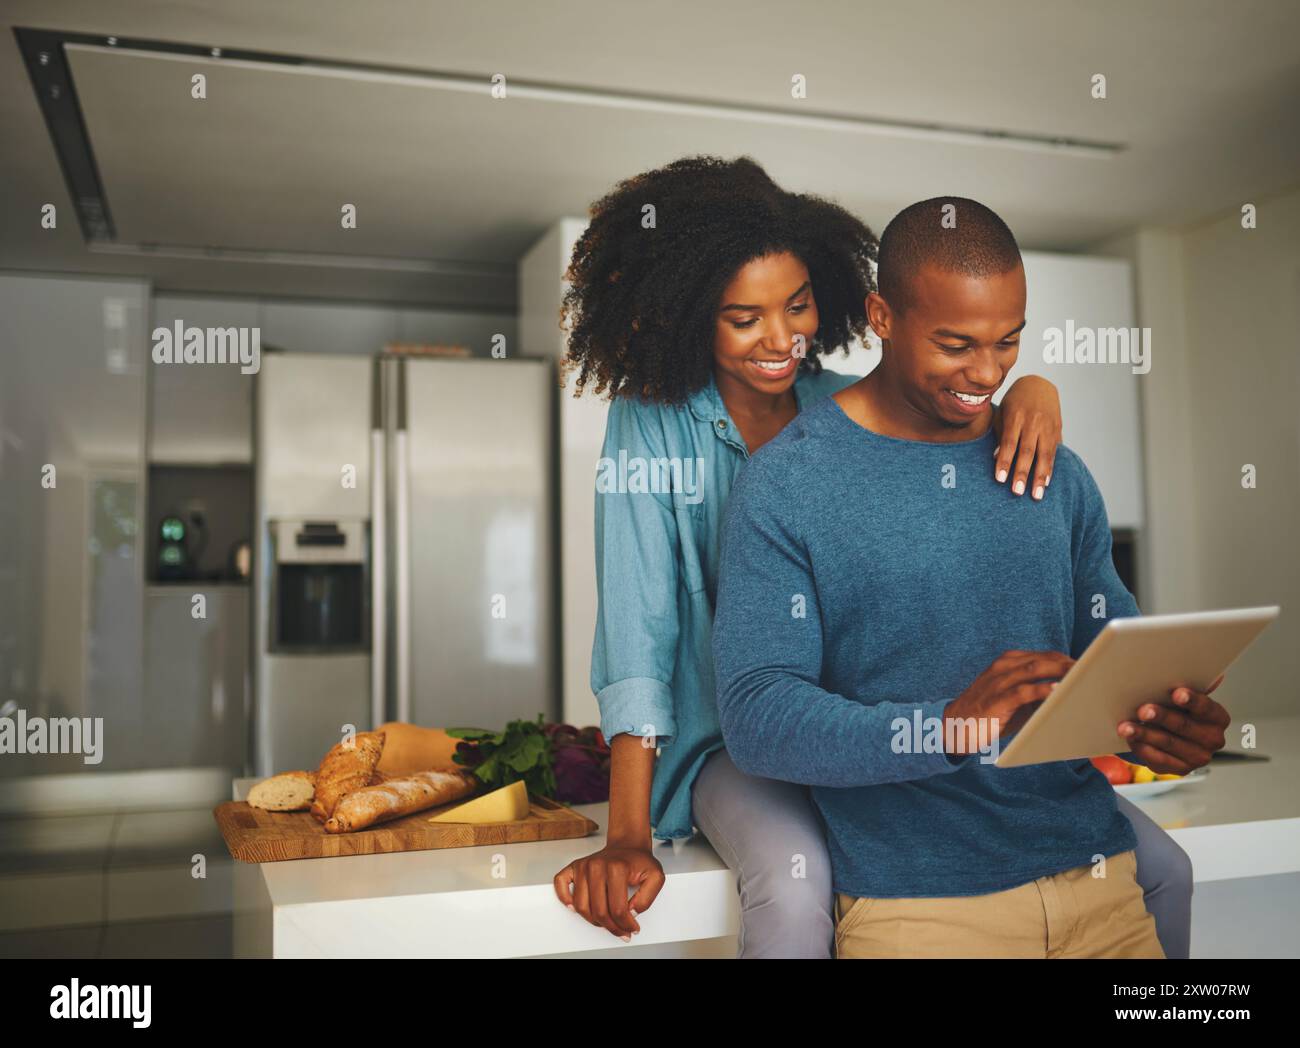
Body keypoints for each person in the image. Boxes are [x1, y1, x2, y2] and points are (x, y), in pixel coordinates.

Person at [551, 156, 1189, 958]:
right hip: (730, 731)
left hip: (857, 719)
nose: (781, 339)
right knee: (792, 881)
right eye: (744, 318)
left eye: (798, 305)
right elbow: (639, 628)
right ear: (689, 317)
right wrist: (628, 834)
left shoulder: (839, 402)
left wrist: (1031, 394)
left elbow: (941, 388)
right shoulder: (653, 428)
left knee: (1164, 864)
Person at [712, 196, 1229, 958]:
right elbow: (759, 718)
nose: (986, 373)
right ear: (882, 317)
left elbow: (1110, 649)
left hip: (1103, 888)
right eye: (956, 345)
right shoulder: (788, 484)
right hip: (922, 914)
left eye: (1009, 342)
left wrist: (1167, 719)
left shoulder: (1057, 471)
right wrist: (946, 726)